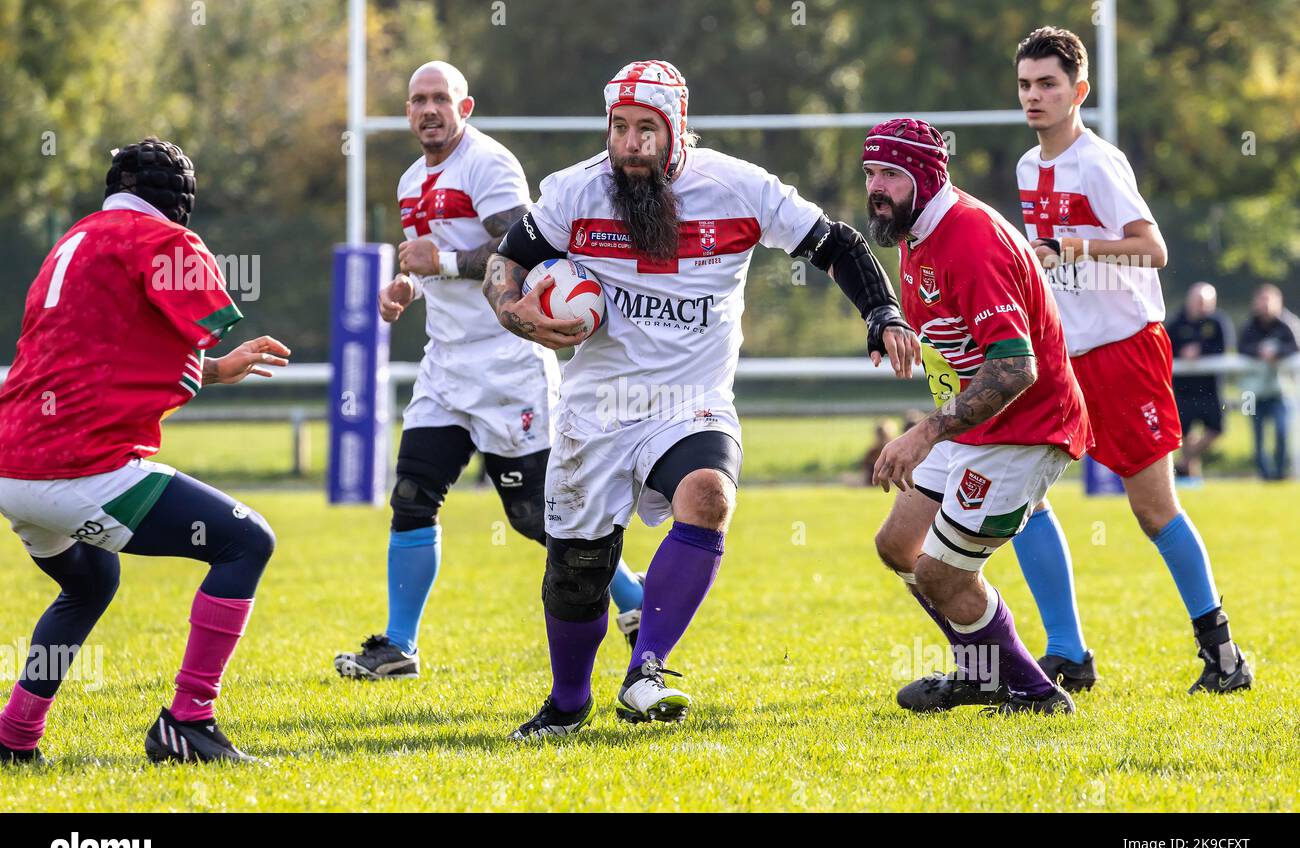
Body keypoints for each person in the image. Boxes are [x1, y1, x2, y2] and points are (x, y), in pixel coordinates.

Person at [484, 60, 917, 738]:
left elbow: (837, 244)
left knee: (709, 496)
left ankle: (646, 669)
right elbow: (505, 263)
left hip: (693, 400)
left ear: (677, 128)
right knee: (576, 572)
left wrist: (882, 311)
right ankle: (568, 703)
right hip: (594, 408)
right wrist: (519, 315)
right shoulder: (573, 192)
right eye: (619, 128)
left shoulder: (738, 188)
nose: (630, 145)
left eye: (646, 130)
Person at [332, 62, 646, 682]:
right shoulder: (408, 181)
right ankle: (398, 646)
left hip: (507, 365)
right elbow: (433, 269)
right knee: (413, 494)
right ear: (406, 111)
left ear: (464, 106)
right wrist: (408, 287)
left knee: (535, 515)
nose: (428, 110)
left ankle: (636, 601)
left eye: (439, 100)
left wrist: (440, 261)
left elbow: (519, 254)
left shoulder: (489, 165)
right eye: (418, 100)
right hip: (445, 367)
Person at [0, 138, 290, 763]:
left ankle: (13, 736)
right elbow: (200, 329)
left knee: (90, 582)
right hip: (76, 465)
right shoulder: (163, 241)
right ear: (179, 201)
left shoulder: (73, 241)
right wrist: (209, 360)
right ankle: (189, 721)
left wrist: (214, 370)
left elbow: (104, 350)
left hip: (10, 463)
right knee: (247, 541)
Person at [1011, 26, 1251, 694]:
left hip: (1125, 354)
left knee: (1153, 510)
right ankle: (1068, 654)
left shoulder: (1099, 162)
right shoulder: (1028, 169)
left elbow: (1154, 248)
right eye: (1026, 85)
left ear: (1078, 90)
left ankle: (1224, 657)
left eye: (1048, 84)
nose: (1035, 96)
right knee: (1018, 494)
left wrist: (1084, 251)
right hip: (1062, 358)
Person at [865, 118, 1089, 716]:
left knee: (942, 574)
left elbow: (1016, 369)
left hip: (1026, 428)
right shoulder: (916, 235)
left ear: (925, 176)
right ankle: (982, 671)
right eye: (870, 174)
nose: (877, 188)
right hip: (976, 426)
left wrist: (929, 429)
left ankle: (1036, 693)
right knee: (898, 543)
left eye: (891, 174)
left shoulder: (968, 236)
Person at [1167, 282, 1233, 479]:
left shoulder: (1218, 322)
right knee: (1185, 434)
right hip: (1182, 389)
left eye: (1206, 302)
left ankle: (1182, 463)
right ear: (1189, 299)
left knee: (1216, 429)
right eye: (1198, 301)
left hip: (1210, 388)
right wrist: (1182, 352)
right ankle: (1191, 478)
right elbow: (1166, 347)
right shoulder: (1176, 322)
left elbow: (1225, 347)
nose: (1201, 306)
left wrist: (1201, 351)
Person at [1238, 283, 1300, 480]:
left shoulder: (1287, 324)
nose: (1264, 305)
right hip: (1251, 393)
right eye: (1261, 300)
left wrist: (1277, 353)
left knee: (1282, 432)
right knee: (1257, 437)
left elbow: (1295, 346)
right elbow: (1241, 348)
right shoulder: (1249, 325)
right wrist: (1259, 351)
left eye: (1268, 300)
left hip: (1282, 391)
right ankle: (1265, 475)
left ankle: (1280, 474)